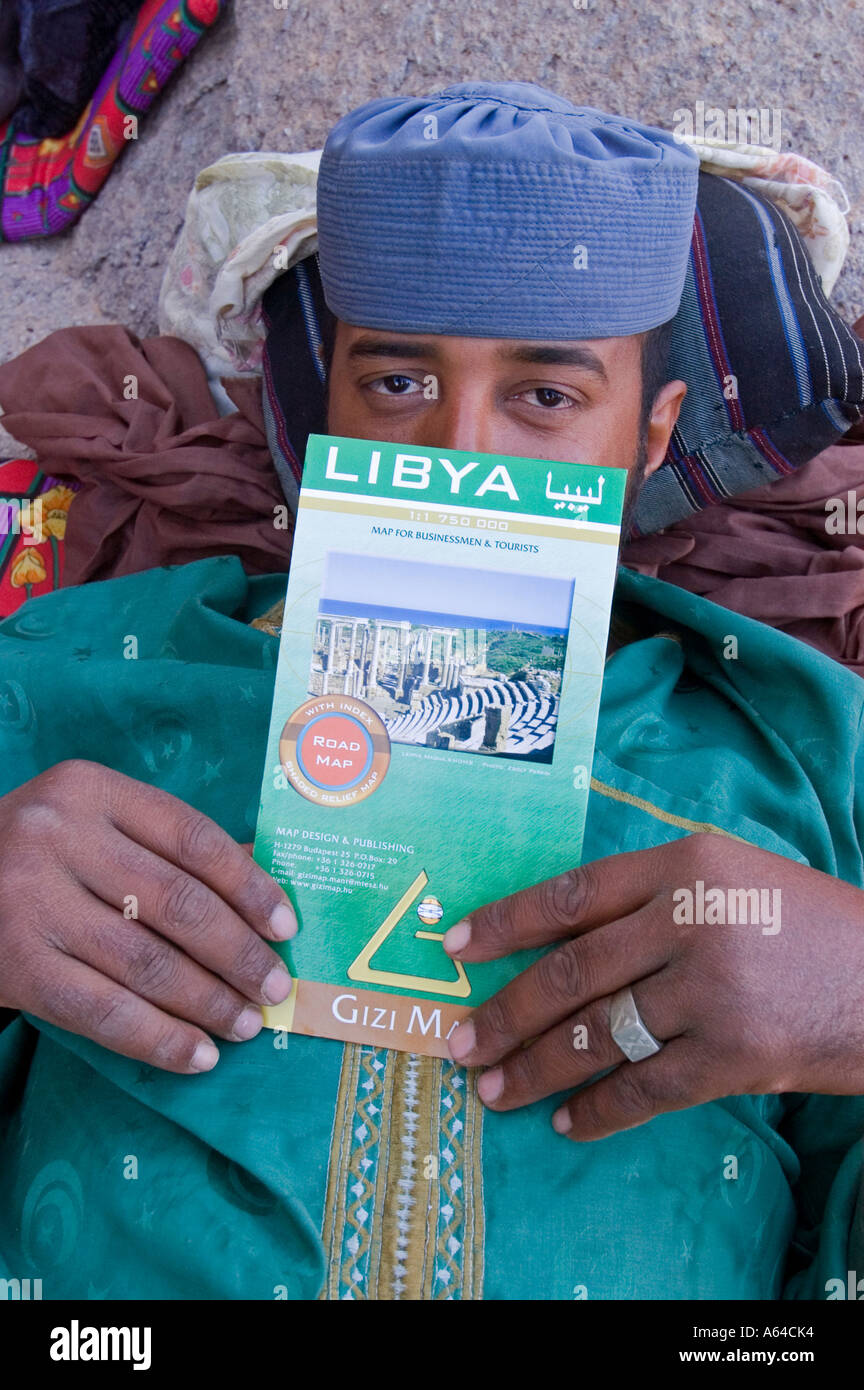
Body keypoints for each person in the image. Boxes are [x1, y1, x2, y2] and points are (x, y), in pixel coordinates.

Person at [0, 81, 862, 1301]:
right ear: (328, 410)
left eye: (546, 397)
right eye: (398, 384)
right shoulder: (88, 667)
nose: (460, 455)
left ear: (652, 434)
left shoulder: (800, 758)